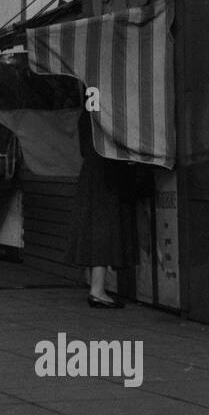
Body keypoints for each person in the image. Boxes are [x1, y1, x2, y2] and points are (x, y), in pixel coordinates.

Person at [66, 109, 137, 308]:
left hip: (91, 171)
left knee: (95, 228)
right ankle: (97, 290)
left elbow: (83, 148)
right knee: (105, 229)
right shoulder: (111, 108)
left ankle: (96, 287)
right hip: (107, 173)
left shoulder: (86, 111)